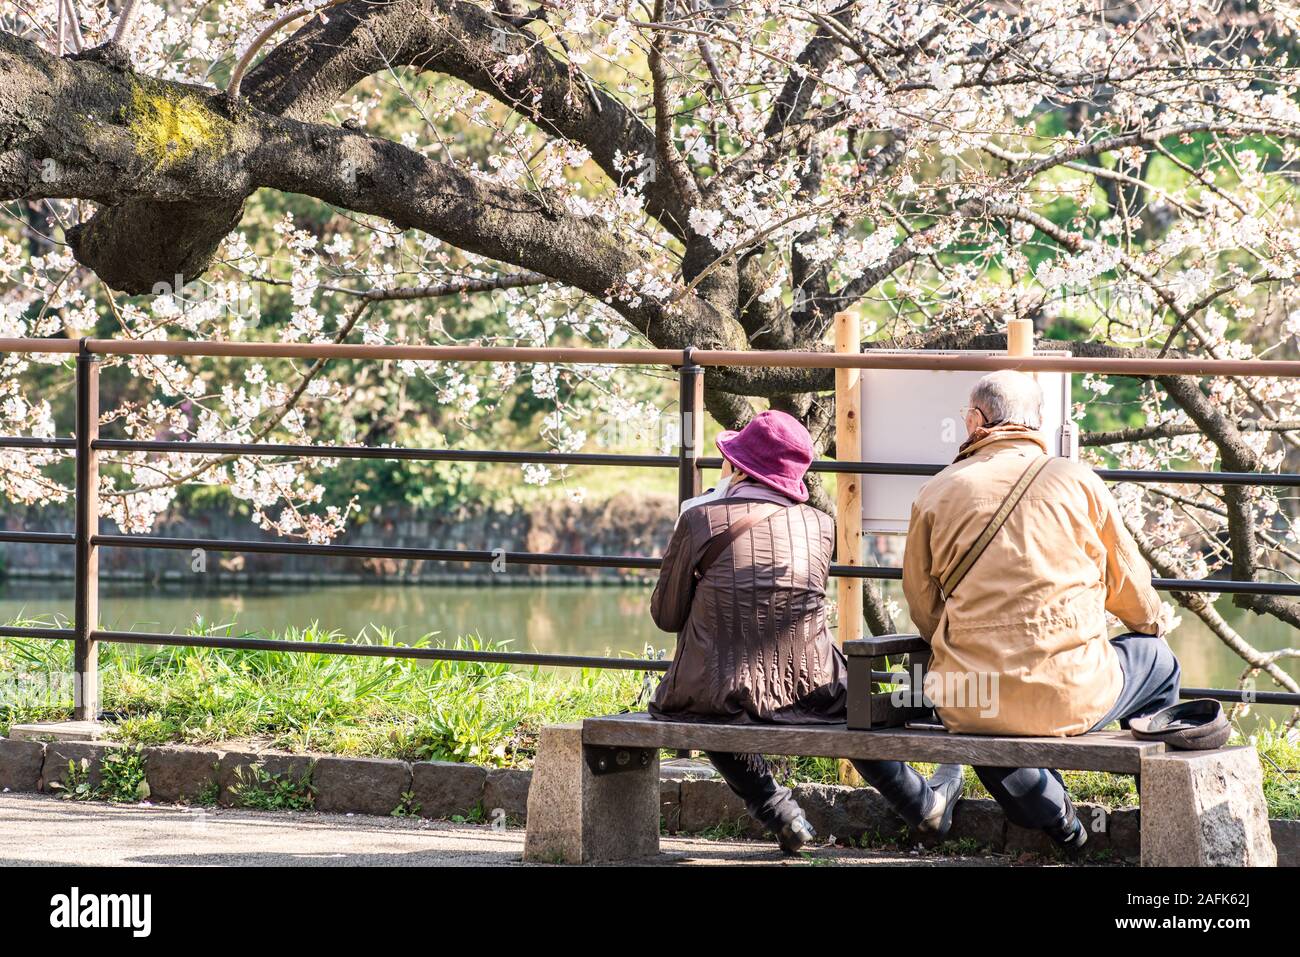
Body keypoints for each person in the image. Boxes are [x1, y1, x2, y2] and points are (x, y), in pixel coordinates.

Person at [649, 409, 964, 853]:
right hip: (810, 687)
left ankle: (781, 812)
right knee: (851, 704)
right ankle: (921, 804)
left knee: (716, 698)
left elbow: (665, 616)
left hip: (713, 691)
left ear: (739, 467)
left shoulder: (699, 518)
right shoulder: (820, 525)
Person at [902, 370, 1181, 852]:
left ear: (974, 421)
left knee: (986, 717)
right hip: (1071, 690)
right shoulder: (1078, 482)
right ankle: (1160, 818)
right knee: (1158, 662)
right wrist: (1151, 624)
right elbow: (1129, 590)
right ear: (1038, 423)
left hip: (973, 694)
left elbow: (923, 607)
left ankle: (1060, 823)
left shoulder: (936, 492)